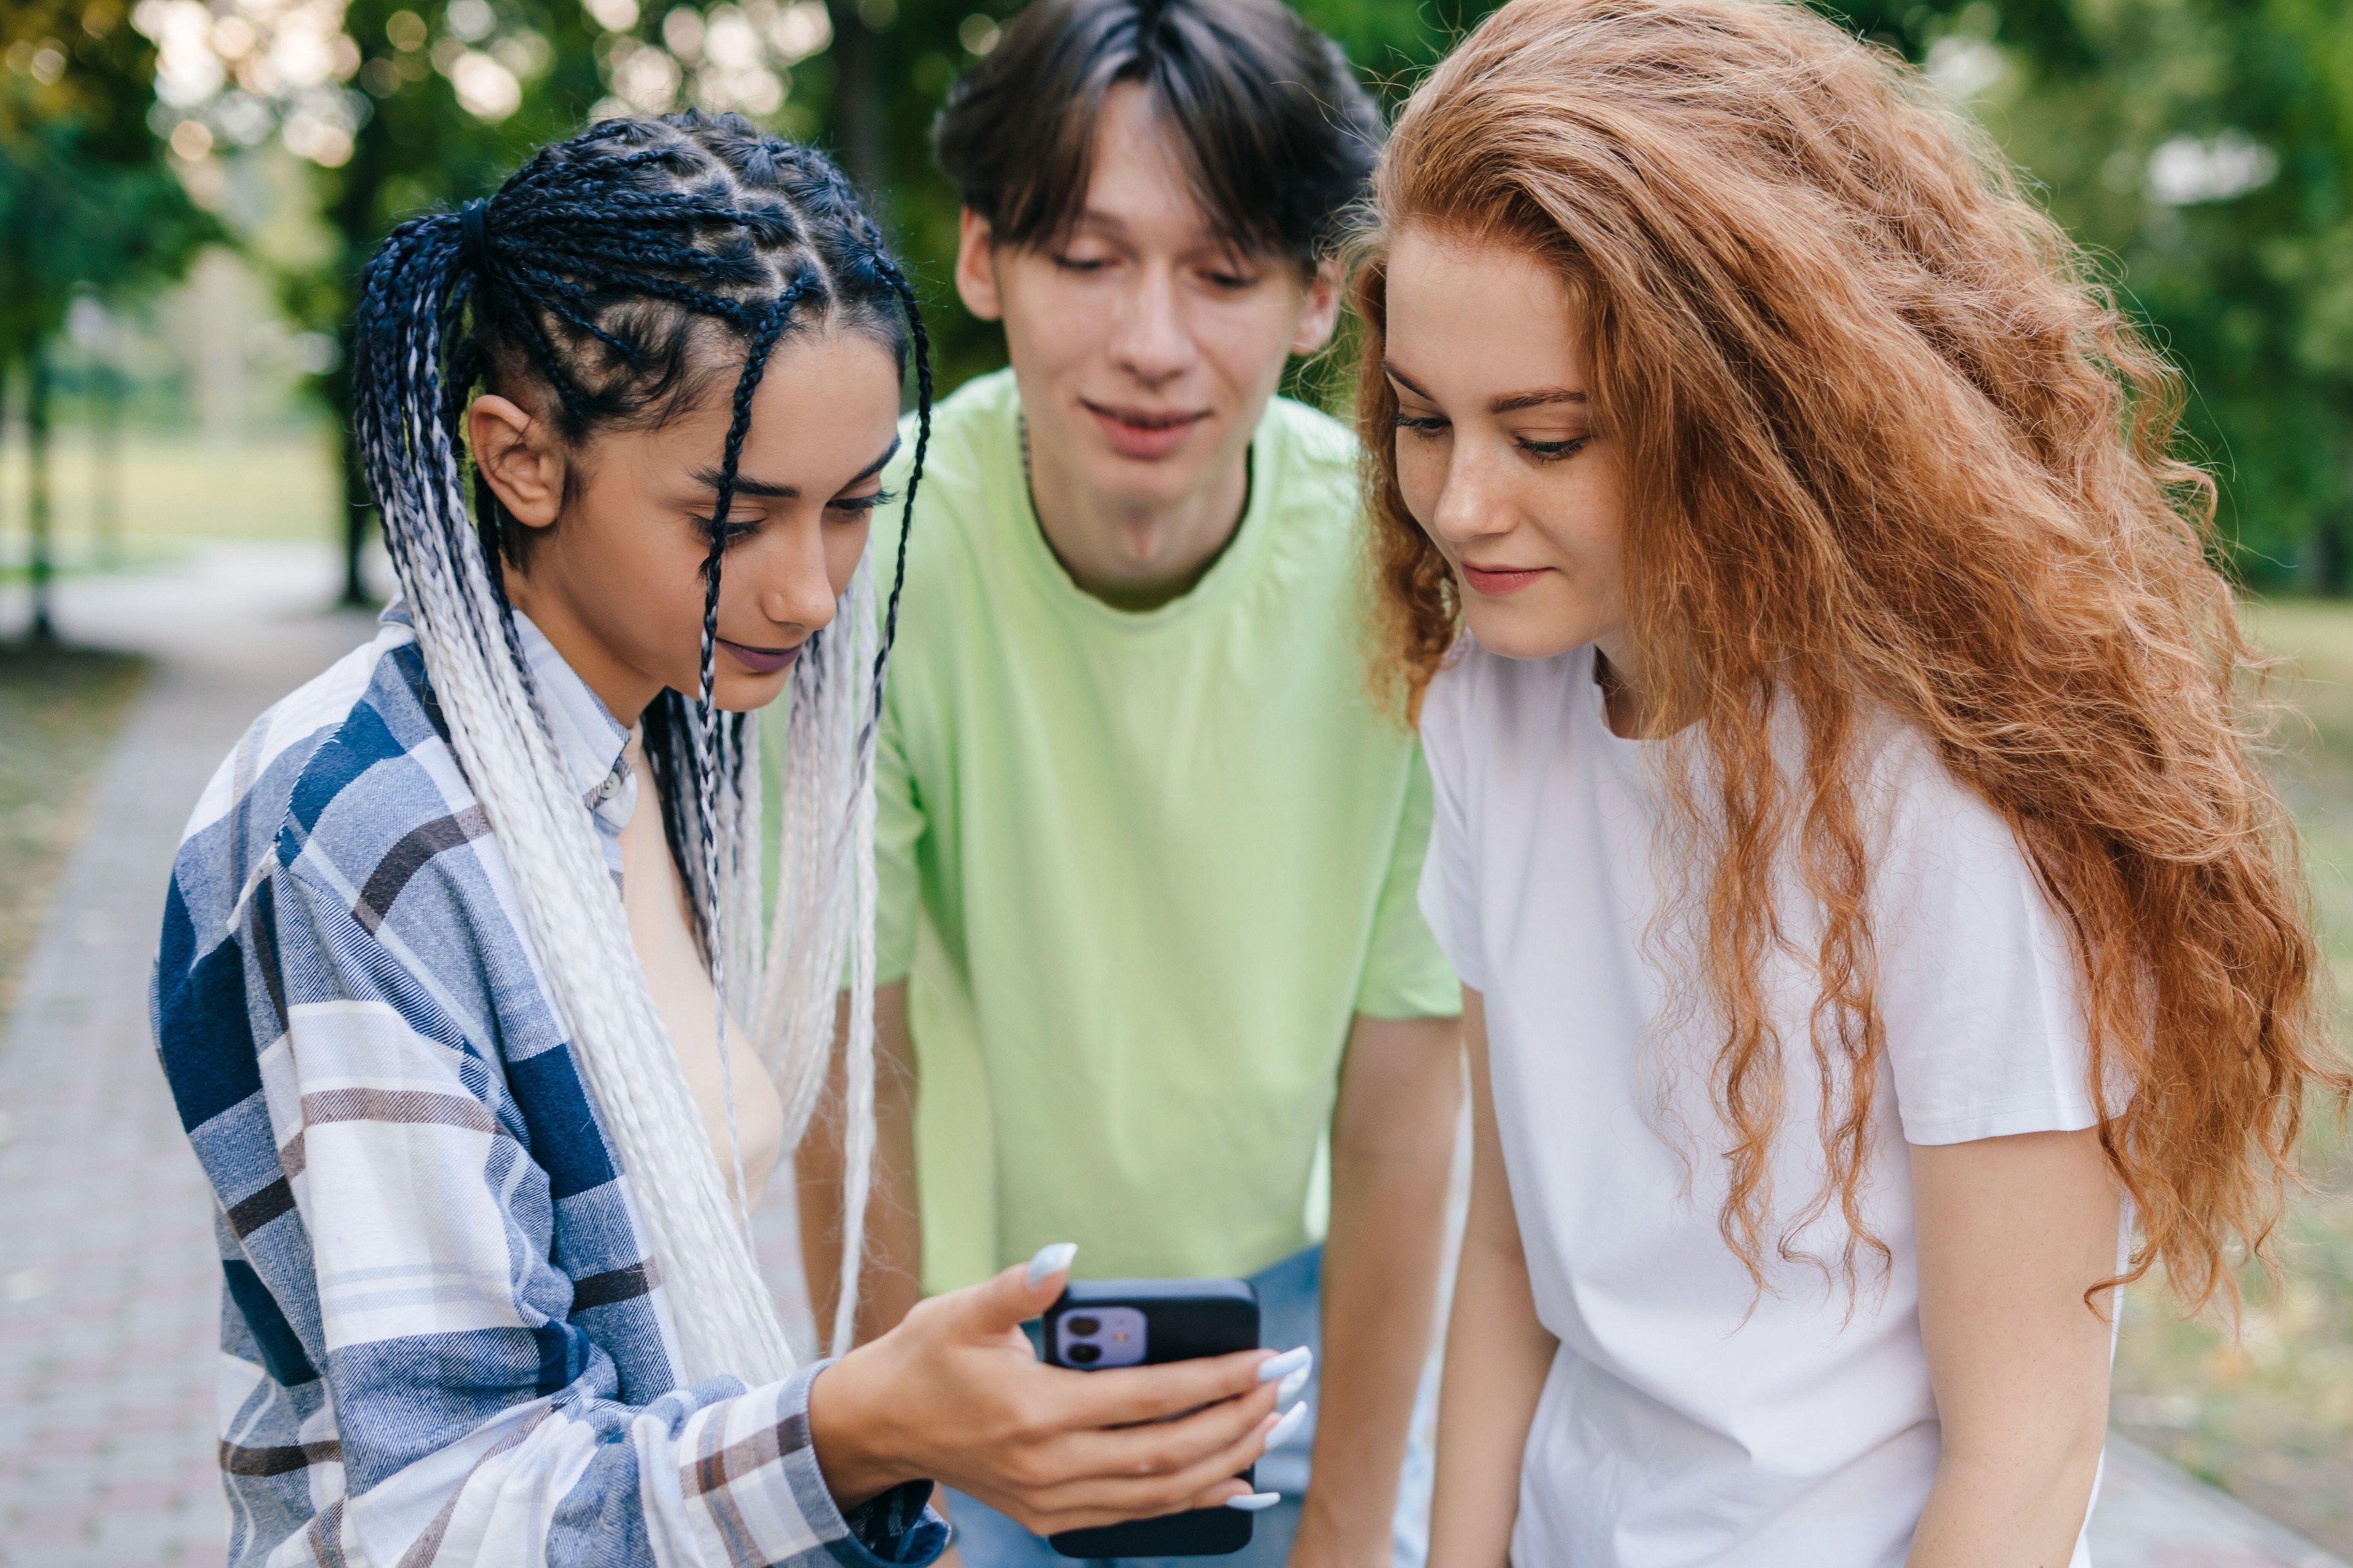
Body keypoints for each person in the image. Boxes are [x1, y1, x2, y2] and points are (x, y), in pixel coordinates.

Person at [150, 112, 1300, 1568]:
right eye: (735, 516)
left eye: (849, 507)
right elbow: (441, 1508)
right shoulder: (366, 835)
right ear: (518, 458)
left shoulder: (661, 730)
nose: (811, 592)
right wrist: (860, 1423)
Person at [1349, 1, 2353, 1564]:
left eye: (1546, 435)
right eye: (1421, 418)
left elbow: (2025, 1450)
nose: (1460, 502)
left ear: (1743, 422)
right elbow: (1511, 1249)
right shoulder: (1496, 706)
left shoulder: (1942, 802)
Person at [792, 1, 1464, 1563]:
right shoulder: (871, 551)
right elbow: (853, 1065)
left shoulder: (1406, 570)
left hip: (1299, 1305)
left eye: (1222, 272)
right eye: (1086, 260)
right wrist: (898, 1462)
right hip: (972, 1310)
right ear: (982, 261)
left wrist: (1351, 1526)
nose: (1150, 341)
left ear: (1315, 294)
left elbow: (1403, 1098)